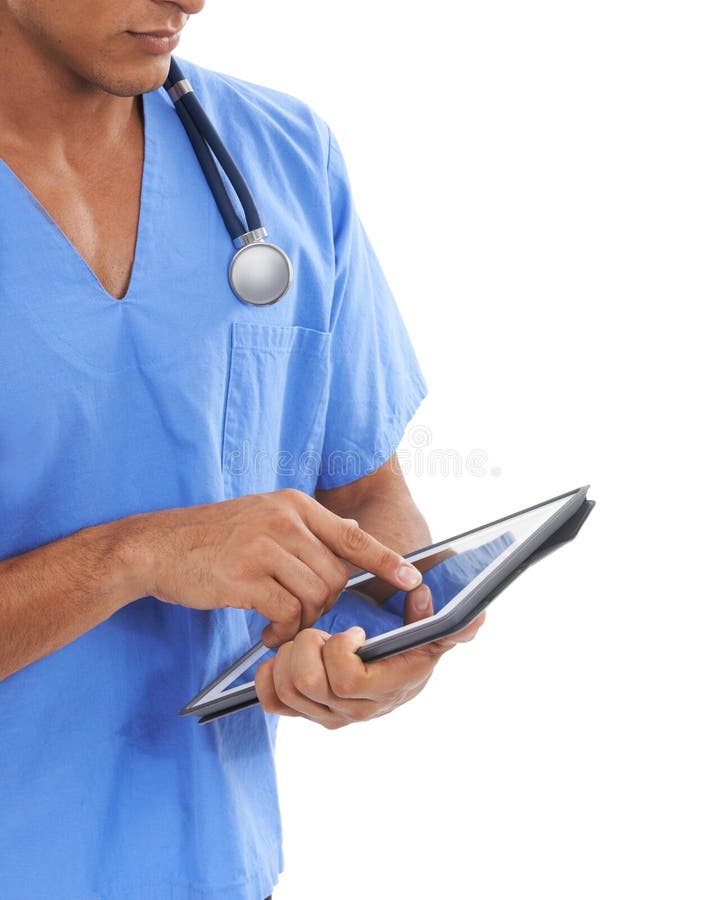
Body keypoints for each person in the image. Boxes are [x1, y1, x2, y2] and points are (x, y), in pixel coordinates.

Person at [0, 2, 486, 898]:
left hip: (213, 870)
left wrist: (381, 640)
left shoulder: (284, 159)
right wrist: (134, 557)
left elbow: (366, 499)